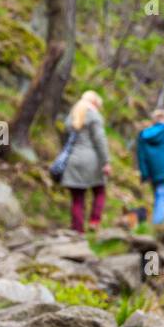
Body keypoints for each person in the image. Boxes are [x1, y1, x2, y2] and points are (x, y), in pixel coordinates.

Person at [61, 90, 111, 233]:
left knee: (77, 198)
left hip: (73, 160)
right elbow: (100, 141)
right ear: (95, 103)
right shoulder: (94, 117)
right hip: (91, 160)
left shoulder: (72, 117)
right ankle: (94, 221)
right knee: (100, 191)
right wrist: (106, 162)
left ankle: (78, 230)